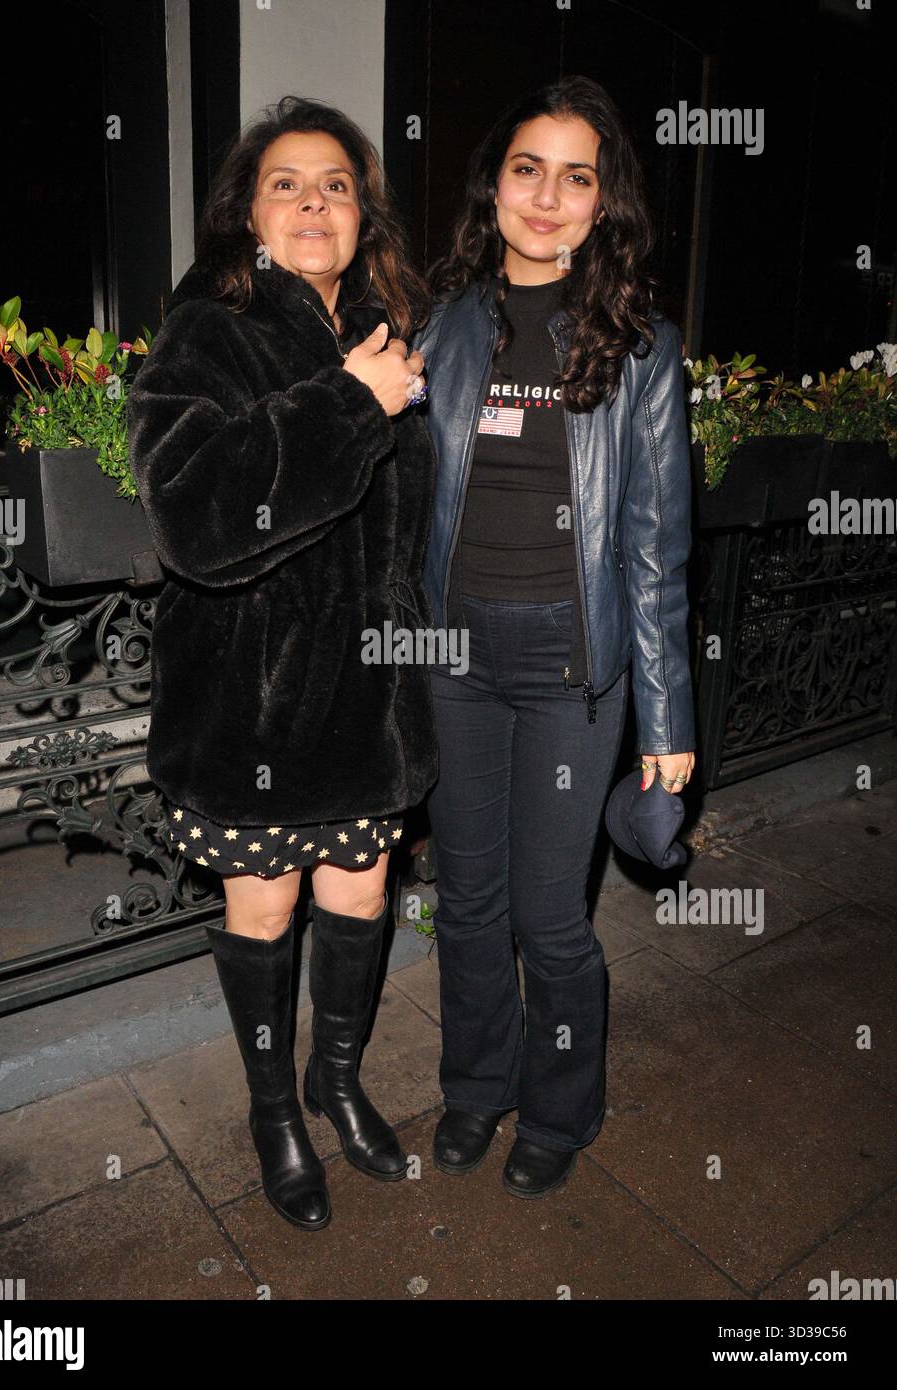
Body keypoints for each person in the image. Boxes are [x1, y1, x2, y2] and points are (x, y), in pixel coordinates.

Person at [127, 96, 436, 1232]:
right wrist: (351, 400)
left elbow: (405, 530)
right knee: (262, 912)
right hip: (252, 709)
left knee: (361, 891)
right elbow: (202, 516)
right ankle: (274, 1111)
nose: (316, 200)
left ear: (364, 216)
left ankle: (337, 1080)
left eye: (338, 184)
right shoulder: (208, 324)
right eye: (287, 183)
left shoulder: (388, 327)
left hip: (369, 701)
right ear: (247, 215)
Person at [413, 75, 697, 1198]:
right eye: (526, 168)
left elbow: (655, 548)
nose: (546, 195)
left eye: (575, 176)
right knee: (466, 900)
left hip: (571, 669)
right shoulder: (440, 326)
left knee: (549, 914)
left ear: (602, 203)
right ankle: (475, 1085)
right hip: (452, 660)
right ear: (492, 186)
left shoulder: (639, 347)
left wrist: (666, 722)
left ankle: (560, 1106)